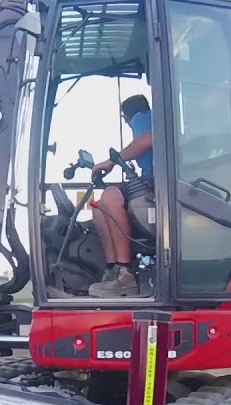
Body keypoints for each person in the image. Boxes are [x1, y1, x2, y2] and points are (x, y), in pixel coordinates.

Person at [87, 94, 154, 298]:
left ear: (126, 117)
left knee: (111, 197)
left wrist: (111, 162)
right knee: (98, 207)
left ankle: (126, 274)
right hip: (149, 181)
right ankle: (113, 271)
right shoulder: (150, 119)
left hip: (158, 184)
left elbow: (148, 139)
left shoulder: (143, 117)